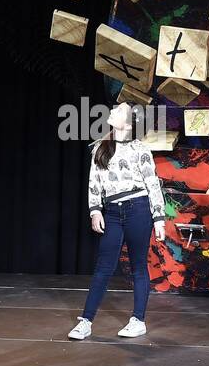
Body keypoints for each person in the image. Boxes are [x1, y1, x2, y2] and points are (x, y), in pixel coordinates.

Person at [69, 102, 166, 340]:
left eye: (118, 109)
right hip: (112, 210)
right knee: (104, 266)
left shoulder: (140, 149)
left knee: (138, 266)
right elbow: (94, 182)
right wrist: (95, 210)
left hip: (138, 208)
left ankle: (138, 320)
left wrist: (159, 218)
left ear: (129, 122)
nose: (112, 110)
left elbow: (153, 184)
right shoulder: (101, 147)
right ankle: (86, 321)